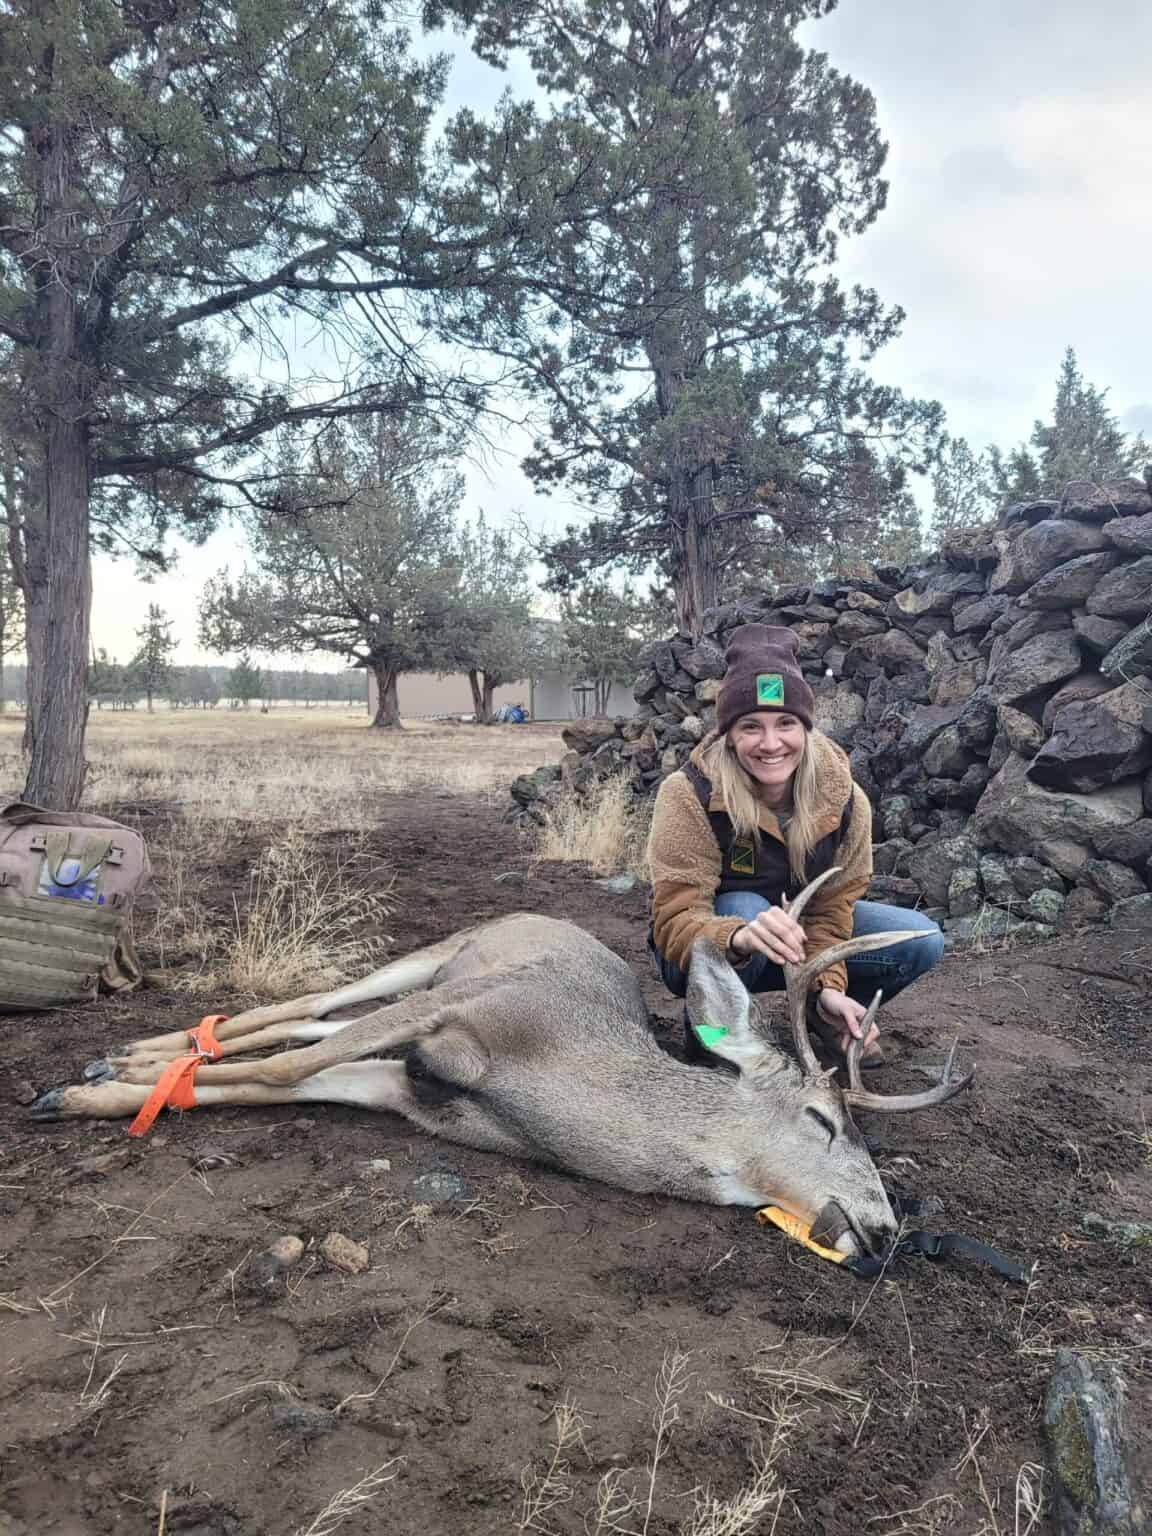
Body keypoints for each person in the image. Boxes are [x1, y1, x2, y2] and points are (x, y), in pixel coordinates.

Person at [647, 624, 944, 1066]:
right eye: (751, 726)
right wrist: (740, 937)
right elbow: (674, 920)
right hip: (708, 949)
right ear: (729, 734)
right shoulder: (689, 793)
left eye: (786, 723)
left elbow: (832, 912)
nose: (771, 744)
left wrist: (829, 987)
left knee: (921, 938)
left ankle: (827, 1017)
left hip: (800, 941)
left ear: (805, 728)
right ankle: (711, 1032)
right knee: (747, 907)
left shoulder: (845, 800)